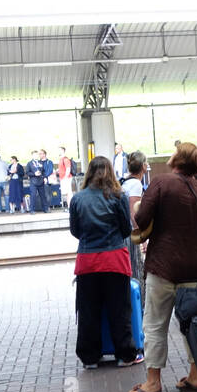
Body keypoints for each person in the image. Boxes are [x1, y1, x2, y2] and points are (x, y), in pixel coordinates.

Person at [127, 143, 197, 392]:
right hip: (193, 268)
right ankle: (195, 375)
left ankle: (153, 382)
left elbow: (142, 219)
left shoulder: (161, 183)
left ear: (178, 159)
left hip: (162, 266)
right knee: (190, 323)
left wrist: (137, 210)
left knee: (155, 323)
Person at [71, 157, 141, 368]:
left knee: (88, 311)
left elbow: (75, 230)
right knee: (119, 309)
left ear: (89, 173)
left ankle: (90, 357)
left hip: (87, 260)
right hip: (114, 259)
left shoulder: (78, 199)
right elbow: (126, 229)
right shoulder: (119, 196)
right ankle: (125, 355)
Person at [122, 151, 147, 309]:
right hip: (132, 234)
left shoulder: (126, 182)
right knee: (136, 268)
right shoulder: (136, 184)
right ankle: (138, 306)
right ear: (143, 166)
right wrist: (141, 235)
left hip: (126, 233)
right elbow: (134, 211)